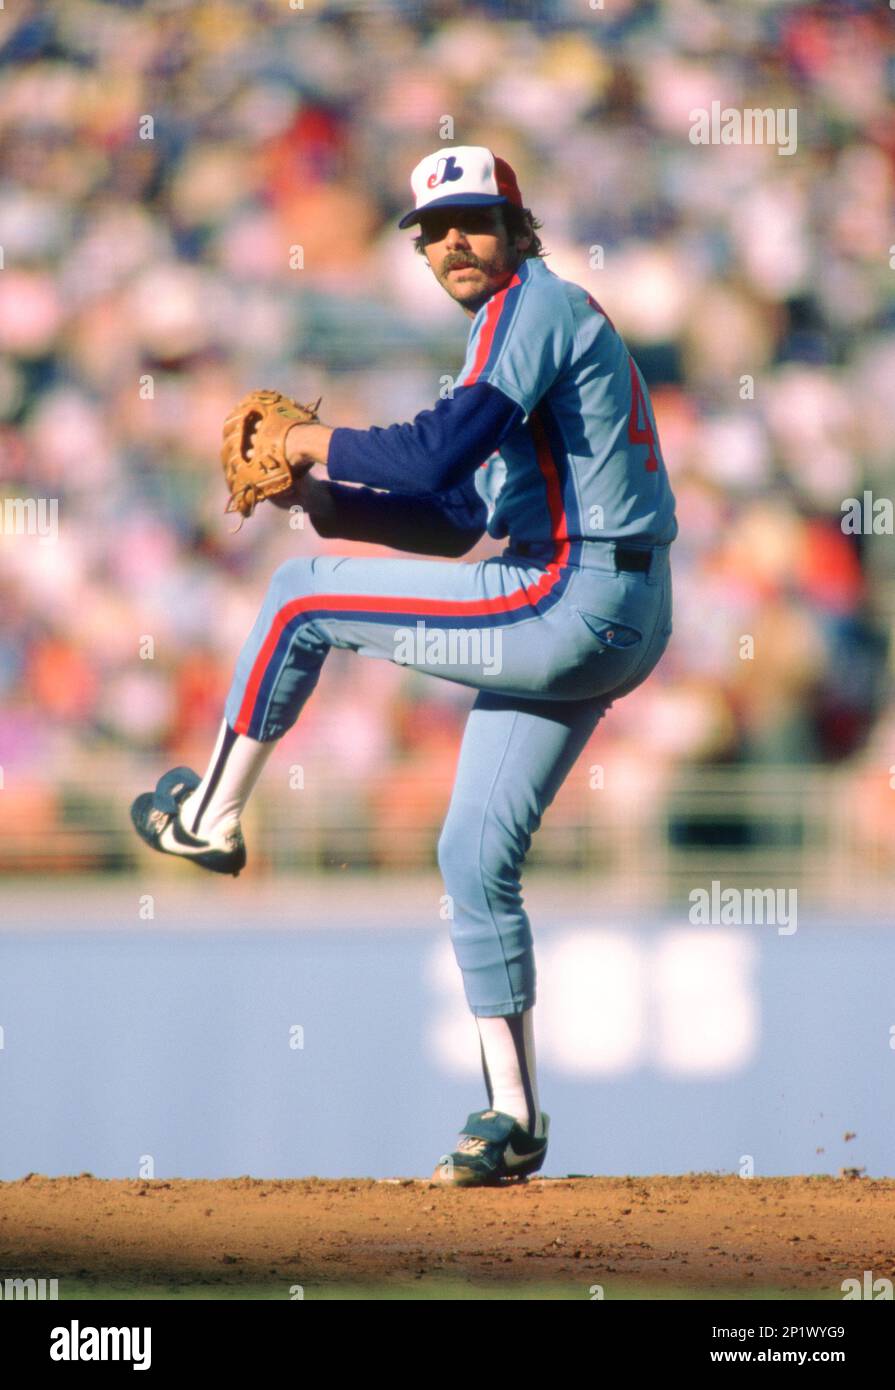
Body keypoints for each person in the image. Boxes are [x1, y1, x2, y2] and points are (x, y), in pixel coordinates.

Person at [131, 146, 677, 1186]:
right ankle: (510, 1119)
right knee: (472, 854)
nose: (452, 241)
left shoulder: (535, 305)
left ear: (520, 230)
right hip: (607, 603)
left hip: (573, 591)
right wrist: (327, 497)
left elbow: (431, 453)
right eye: (432, 228)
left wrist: (310, 444)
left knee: (299, 595)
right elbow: (456, 512)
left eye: (474, 219)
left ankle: (208, 816)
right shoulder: (513, 334)